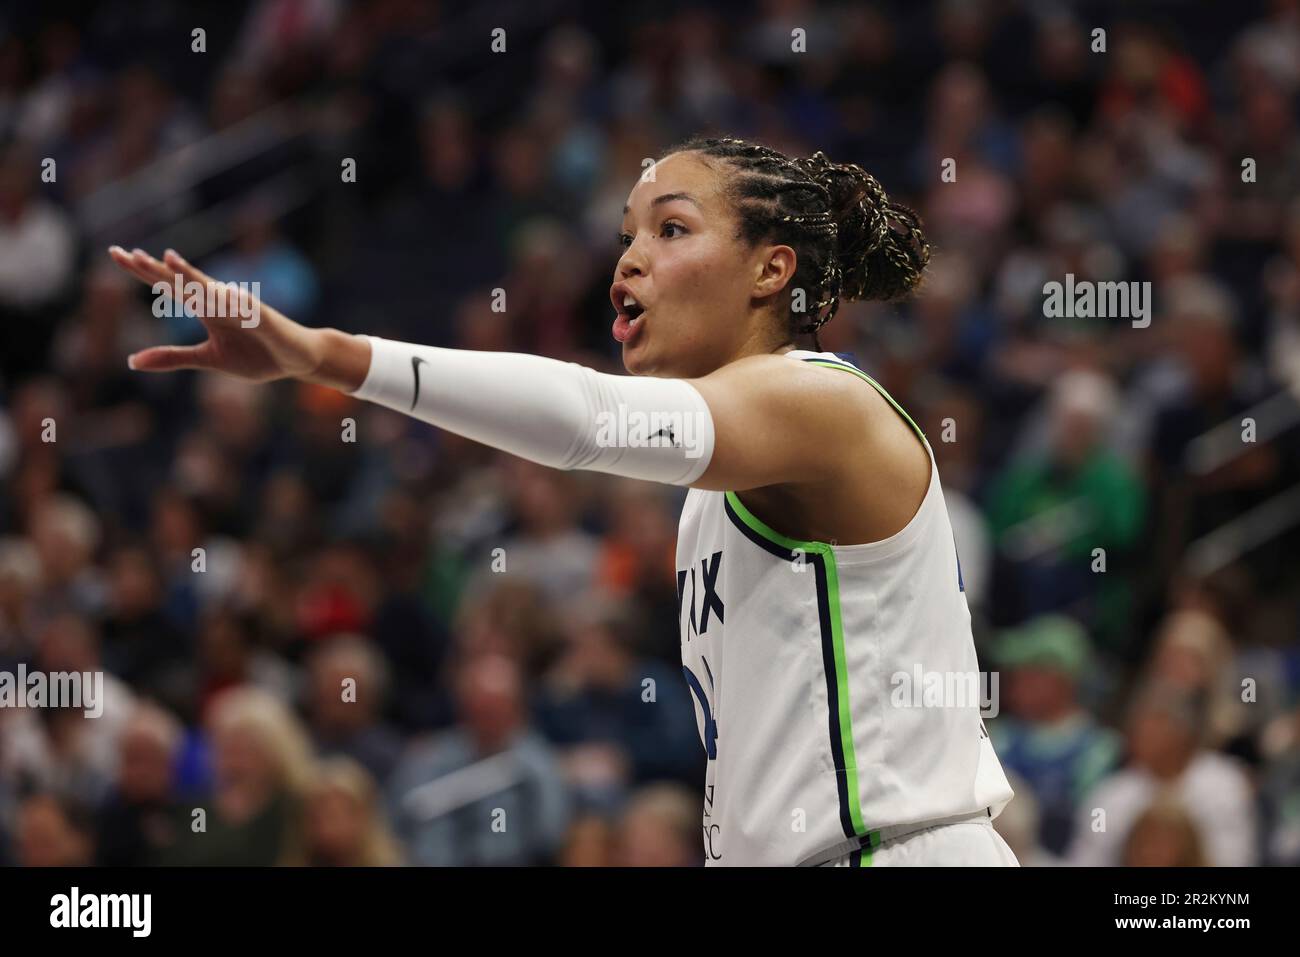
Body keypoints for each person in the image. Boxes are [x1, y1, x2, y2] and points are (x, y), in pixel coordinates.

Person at [109, 134, 1016, 867]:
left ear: (771, 270)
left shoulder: (823, 400)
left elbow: (587, 417)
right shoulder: (722, 486)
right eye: (626, 235)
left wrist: (326, 355)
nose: (627, 261)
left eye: (669, 230)